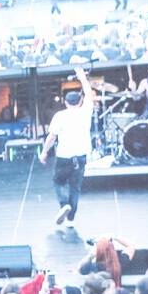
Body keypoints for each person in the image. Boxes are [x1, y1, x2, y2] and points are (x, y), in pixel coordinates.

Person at [39, 67, 95, 230]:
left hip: (64, 156)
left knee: (58, 181)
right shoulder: (86, 111)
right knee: (75, 187)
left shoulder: (60, 116)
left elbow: (51, 137)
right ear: (80, 102)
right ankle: (70, 218)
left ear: (65, 102)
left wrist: (44, 152)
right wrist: (83, 78)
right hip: (81, 155)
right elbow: (89, 94)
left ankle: (64, 204)